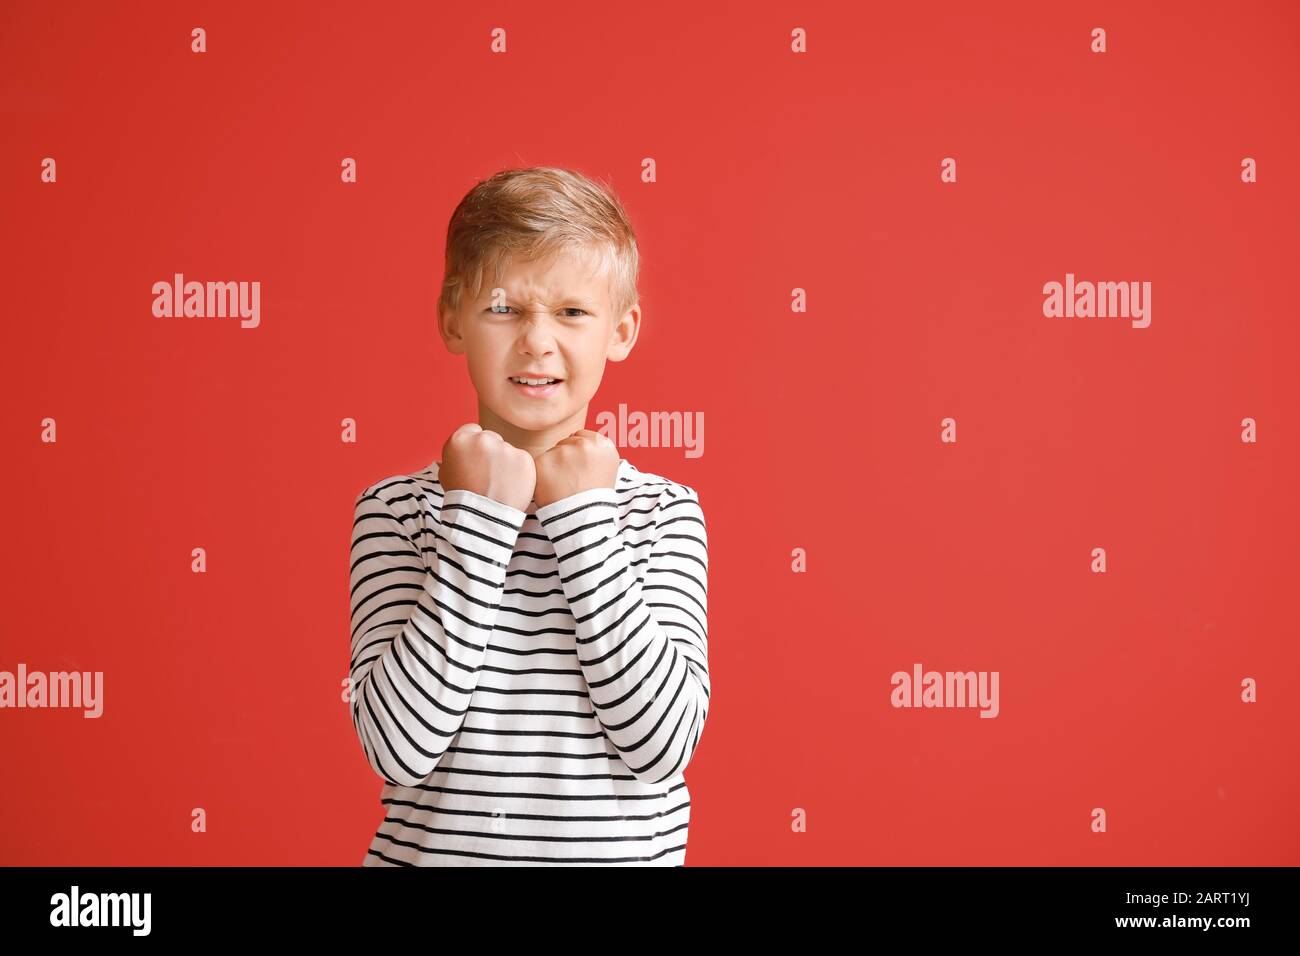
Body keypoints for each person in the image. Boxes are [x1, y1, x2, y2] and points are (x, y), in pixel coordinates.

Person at [347, 167, 710, 865]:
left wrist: (583, 521)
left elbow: (662, 744)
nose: (538, 341)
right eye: (504, 309)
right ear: (453, 319)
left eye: (572, 312)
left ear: (621, 330)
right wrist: (476, 520)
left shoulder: (664, 514)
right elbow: (398, 749)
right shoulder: (396, 511)